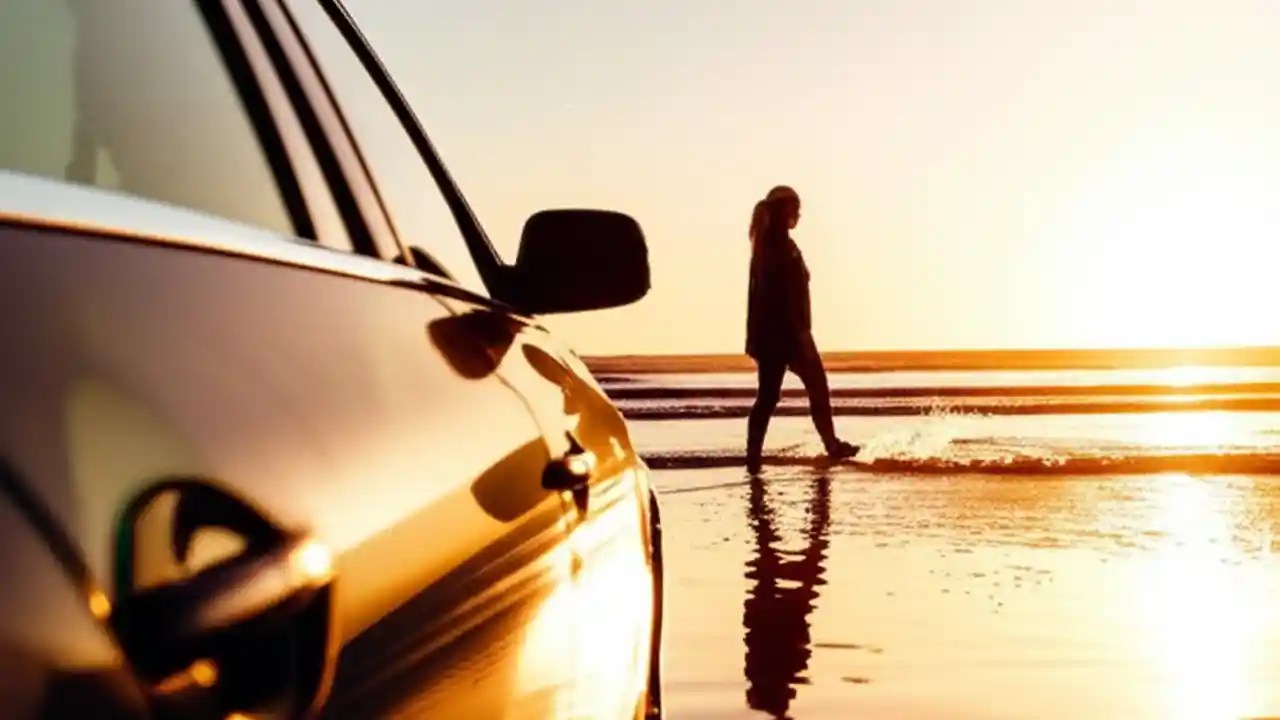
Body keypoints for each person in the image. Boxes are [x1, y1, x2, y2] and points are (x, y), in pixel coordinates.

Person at [745, 185, 858, 474]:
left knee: (774, 395)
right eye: (794, 208)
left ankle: (755, 457)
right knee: (806, 388)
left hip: (777, 334)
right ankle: (828, 446)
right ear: (783, 209)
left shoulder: (775, 245)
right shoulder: (776, 247)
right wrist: (801, 333)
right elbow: (781, 296)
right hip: (786, 334)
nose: (798, 214)